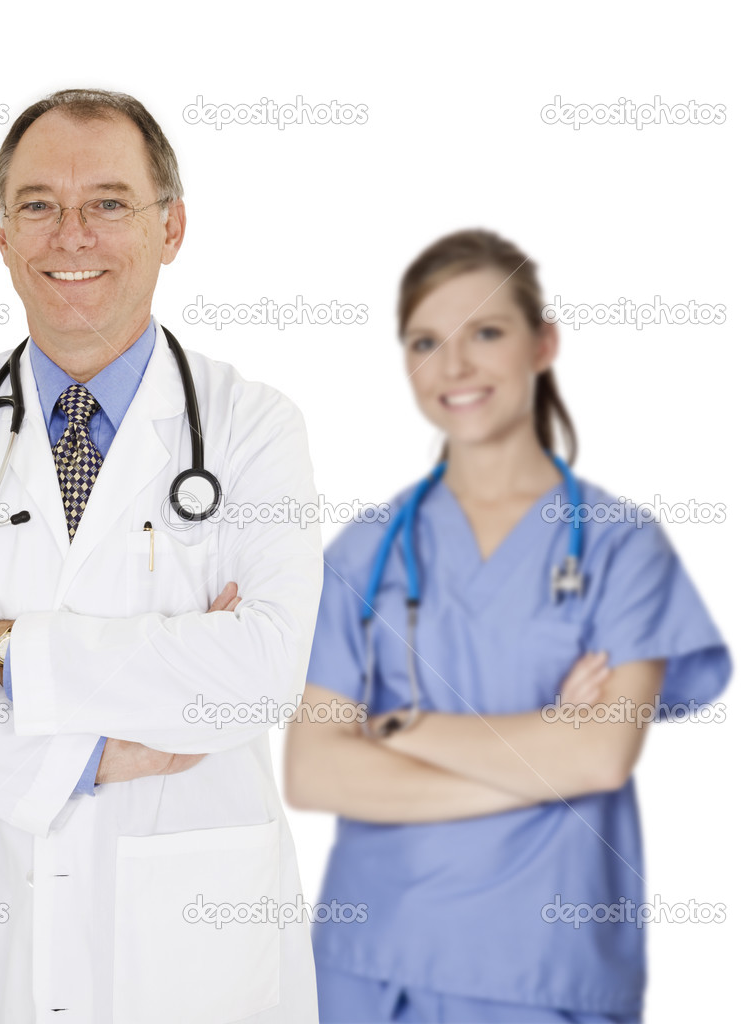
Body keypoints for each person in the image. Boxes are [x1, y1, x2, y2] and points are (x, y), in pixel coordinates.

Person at [0, 88, 322, 1023]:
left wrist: (0, 645)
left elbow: (258, 675)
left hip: (190, 940)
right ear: (3, 236)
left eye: (107, 202)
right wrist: (92, 756)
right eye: (37, 206)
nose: (71, 236)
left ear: (170, 227)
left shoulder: (253, 428)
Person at [285, 229, 730, 1023]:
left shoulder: (622, 546)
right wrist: (536, 759)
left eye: (485, 332)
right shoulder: (363, 550)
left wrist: (398, 727)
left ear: (542, 343)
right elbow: (314, 774)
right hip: (374, 967)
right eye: (426, 342)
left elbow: (596, 757)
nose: (453, 367)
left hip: (550, 971)